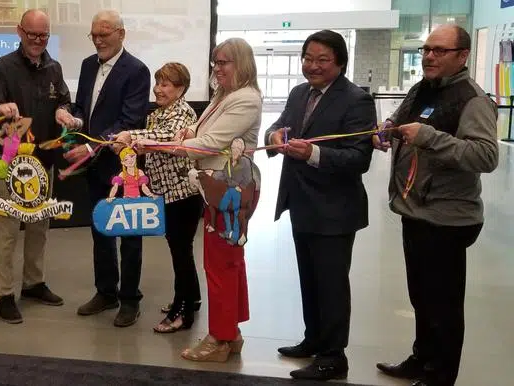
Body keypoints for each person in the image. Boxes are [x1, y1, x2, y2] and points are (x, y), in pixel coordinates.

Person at [374, 25, 498, 386]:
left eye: (440, 50)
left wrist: (428, 137)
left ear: (462, 56)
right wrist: (389, 127)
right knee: (422, 297)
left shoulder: (472, 99)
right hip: (415, 210)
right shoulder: (421, 89)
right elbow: (401, 120)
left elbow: (486, 155)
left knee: (443, 304)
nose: (429, 56)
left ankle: (441, 376)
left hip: (447, 217)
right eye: (427, 48)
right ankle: (422, 359)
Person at [138, 38, 262, 361]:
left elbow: (208, 143)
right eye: (215, 63)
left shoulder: (244, 99)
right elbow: (196, 129)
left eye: (224, 63)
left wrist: (163, 145)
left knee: (221, 265)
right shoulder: (226, 95)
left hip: (229, 189)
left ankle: (219, 338)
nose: (217, 69)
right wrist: (186, 135)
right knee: (229, 262)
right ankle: (230, 333)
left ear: (242, 64)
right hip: (218, 187)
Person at [265, 30, 376, 381]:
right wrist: (274, 137)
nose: (312, 66)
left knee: (331, 284)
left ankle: (333, 356)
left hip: (335, 209)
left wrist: (313, 153)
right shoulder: (300, 93)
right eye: (308, 58)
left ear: (340, 63)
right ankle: (313, 339)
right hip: (301, 203)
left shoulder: (356, 100)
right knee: (309, 279)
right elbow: (278, 125)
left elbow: (359, 157)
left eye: (322, 60)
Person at [0, 9, 77, 324]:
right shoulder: (2, 67)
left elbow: (64, 100)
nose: (37, 40)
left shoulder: (54, 67)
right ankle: (3, 295)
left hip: (43, 162)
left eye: (43, 35)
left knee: (39, 227)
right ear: (19, 31)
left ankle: (33, 283)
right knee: (7, 231)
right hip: (10, 163)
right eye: (31, 34)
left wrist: (64, 111)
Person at [65, 9, 150, 327]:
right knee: (100, 230)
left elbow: (130, 121)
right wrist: (70, 116)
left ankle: (130, 300)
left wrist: (90, 147)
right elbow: (83, 109)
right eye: (94, 35)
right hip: (95, 168)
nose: (98, 41)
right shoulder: (88, 65)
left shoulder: (137, 71)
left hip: (123, 169)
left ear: (121, 34)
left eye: (104, 34)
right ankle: (106, 292)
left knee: (129, 234)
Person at [113, 62, 202, 333]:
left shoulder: (182, 113)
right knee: (180, 248)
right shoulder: (160, 112)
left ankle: (182, 312)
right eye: (158, 82)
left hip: (183, 194)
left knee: (180, 251)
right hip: (167, 193)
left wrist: (131, 135)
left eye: (165, 84)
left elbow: (165, 138)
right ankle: (191, 298)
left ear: (181, 89)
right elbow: (154, 143)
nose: (158, 89)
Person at [211, 137, 252, 245]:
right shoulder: (228, 162)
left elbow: (248, 178)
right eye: (233, 148)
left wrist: (241, 187)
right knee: (223, 207)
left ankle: (234, 237)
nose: (234, 150)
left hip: (238, 190)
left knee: (236, 212)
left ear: (241, 150)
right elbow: (223, 175)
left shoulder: (245, 162)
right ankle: (228, 231)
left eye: (237, 148)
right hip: (229, 189)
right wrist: (212, 174)